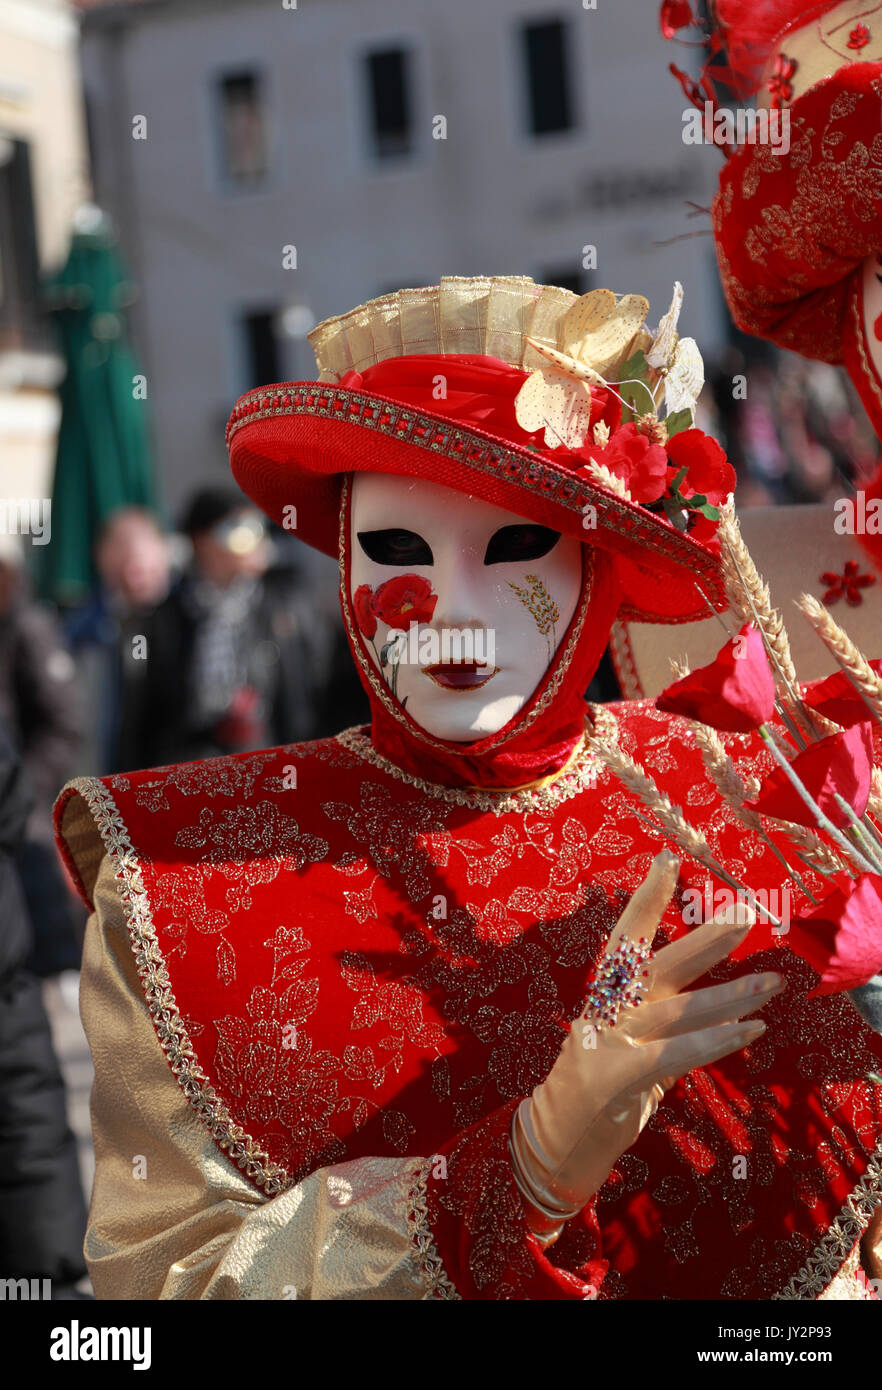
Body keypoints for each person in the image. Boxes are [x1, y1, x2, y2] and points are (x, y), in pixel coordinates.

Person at [54, 276, 882, 1299]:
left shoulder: (768, 789)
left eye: (516, 544)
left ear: (598, 562)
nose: (452, 607)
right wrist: (515, 1178)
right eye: (398, 547)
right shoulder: (189, 869)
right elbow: (152, 1298)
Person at [136, 487, 365, 767]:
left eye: (257, 528)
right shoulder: (164, 619)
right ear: (201, 541)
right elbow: (148, 715)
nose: (252, 541)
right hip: (188, 768)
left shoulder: (287, 607)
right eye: (236, 530)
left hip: (273, 764)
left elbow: (320, 687)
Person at [64, 506, 171, 775]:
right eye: (127, 566)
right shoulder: (84, 628)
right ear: (104, 560)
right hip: (104, 769)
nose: (136, 578)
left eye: (144, 567)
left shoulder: (185, 620)